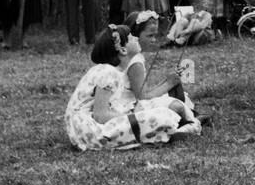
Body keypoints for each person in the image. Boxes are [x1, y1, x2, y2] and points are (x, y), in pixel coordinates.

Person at [64, 25, 196, 151]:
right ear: (123, 50)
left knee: (156, 114)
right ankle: (183, 130)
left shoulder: (111, 71)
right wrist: (132, 116)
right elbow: (100, 115)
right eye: (132, 37)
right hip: (88, 131)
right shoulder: (109, 73)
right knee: (161, 116)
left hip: (82, 130)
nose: (136, 38)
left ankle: (177, 130)